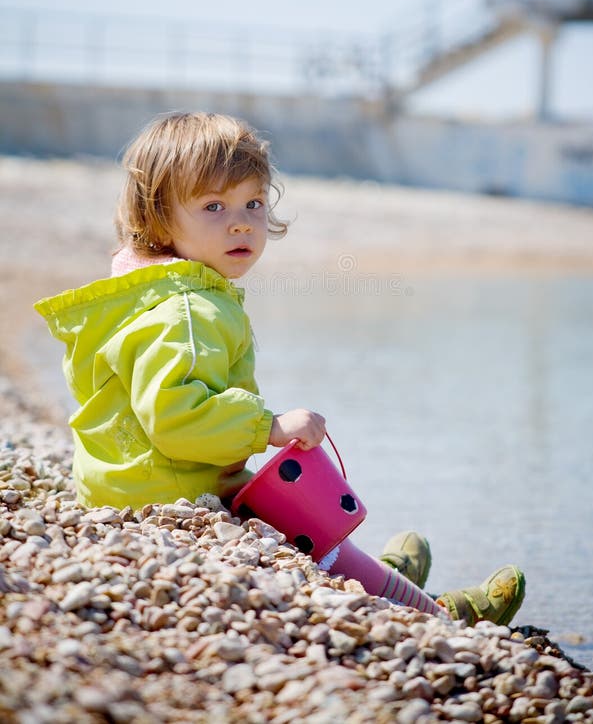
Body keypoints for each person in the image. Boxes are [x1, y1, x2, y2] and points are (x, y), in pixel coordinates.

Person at [35, 111, 525, 625]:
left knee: (298, 522)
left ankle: (382, 575)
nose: (242, 221)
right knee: (309, 544)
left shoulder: (144, 293)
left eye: (252, 202)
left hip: (123, 486)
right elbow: (174, 416)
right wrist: (266, 427)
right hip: (167, 495)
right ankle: (437, 614)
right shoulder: (185, 312)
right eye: (213, 206)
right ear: (159, 219)